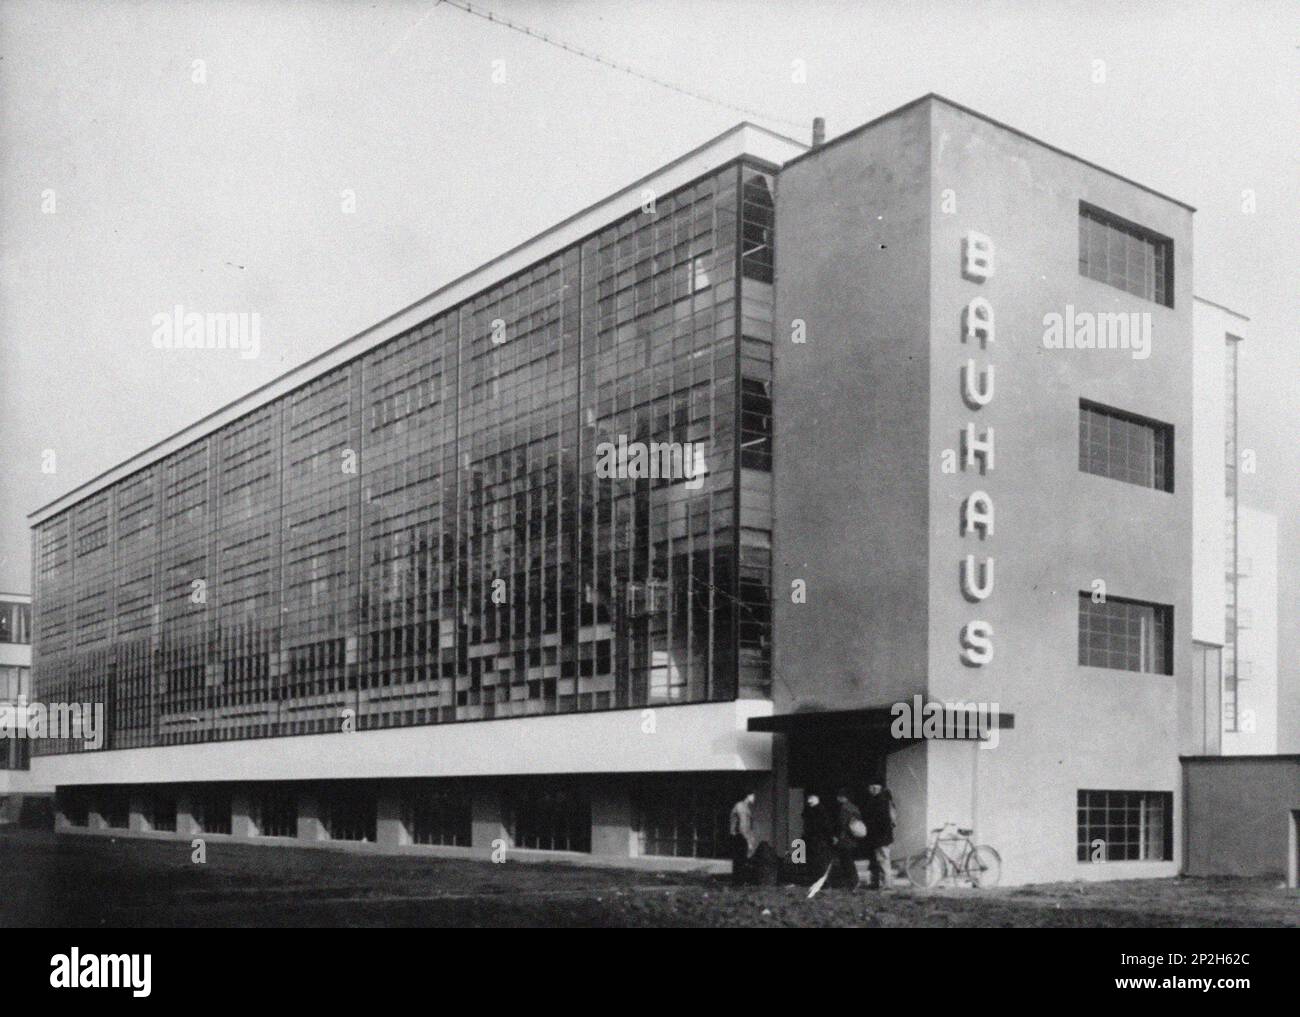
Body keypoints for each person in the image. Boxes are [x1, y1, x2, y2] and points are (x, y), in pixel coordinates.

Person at [862, 780, 897, 889]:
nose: (871, 789)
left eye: (874, 787)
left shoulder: (881, 801)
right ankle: (879, 883)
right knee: (880, 860)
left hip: (880, 838)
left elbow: (883, 821)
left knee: (883, 860)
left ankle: (887, 884)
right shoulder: (882, 800)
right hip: (881, 837)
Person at [831, 788, 862, 889]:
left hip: (845, 839)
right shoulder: (854, 807)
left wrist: (838, 837)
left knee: (846, 861)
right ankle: (853, 881)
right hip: (853, 838)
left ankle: (852, 882)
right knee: (849, 860)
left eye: (838, 796)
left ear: (842, 797)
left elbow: (842, 824)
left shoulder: (844, 808)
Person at [800, 793, 834, 884]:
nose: (809, 800)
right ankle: (819, 880)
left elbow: (823, 826)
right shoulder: (818, 810)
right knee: (816, 860)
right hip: (816, 839)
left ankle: (820, 881)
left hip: (817, 839)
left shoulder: (817, 811)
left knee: (818, 861)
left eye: (811, 798)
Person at [729, 790, 757, 886]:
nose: (754, 798)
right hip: (740, 836)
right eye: (753, 796)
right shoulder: (742, 807)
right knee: (741, 860)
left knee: (740, 860)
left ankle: (738, 882)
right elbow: (743, 825)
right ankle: (739, 882)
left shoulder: (743, 807)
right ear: (748, 796)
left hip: (740, 836)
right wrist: (748, 840)